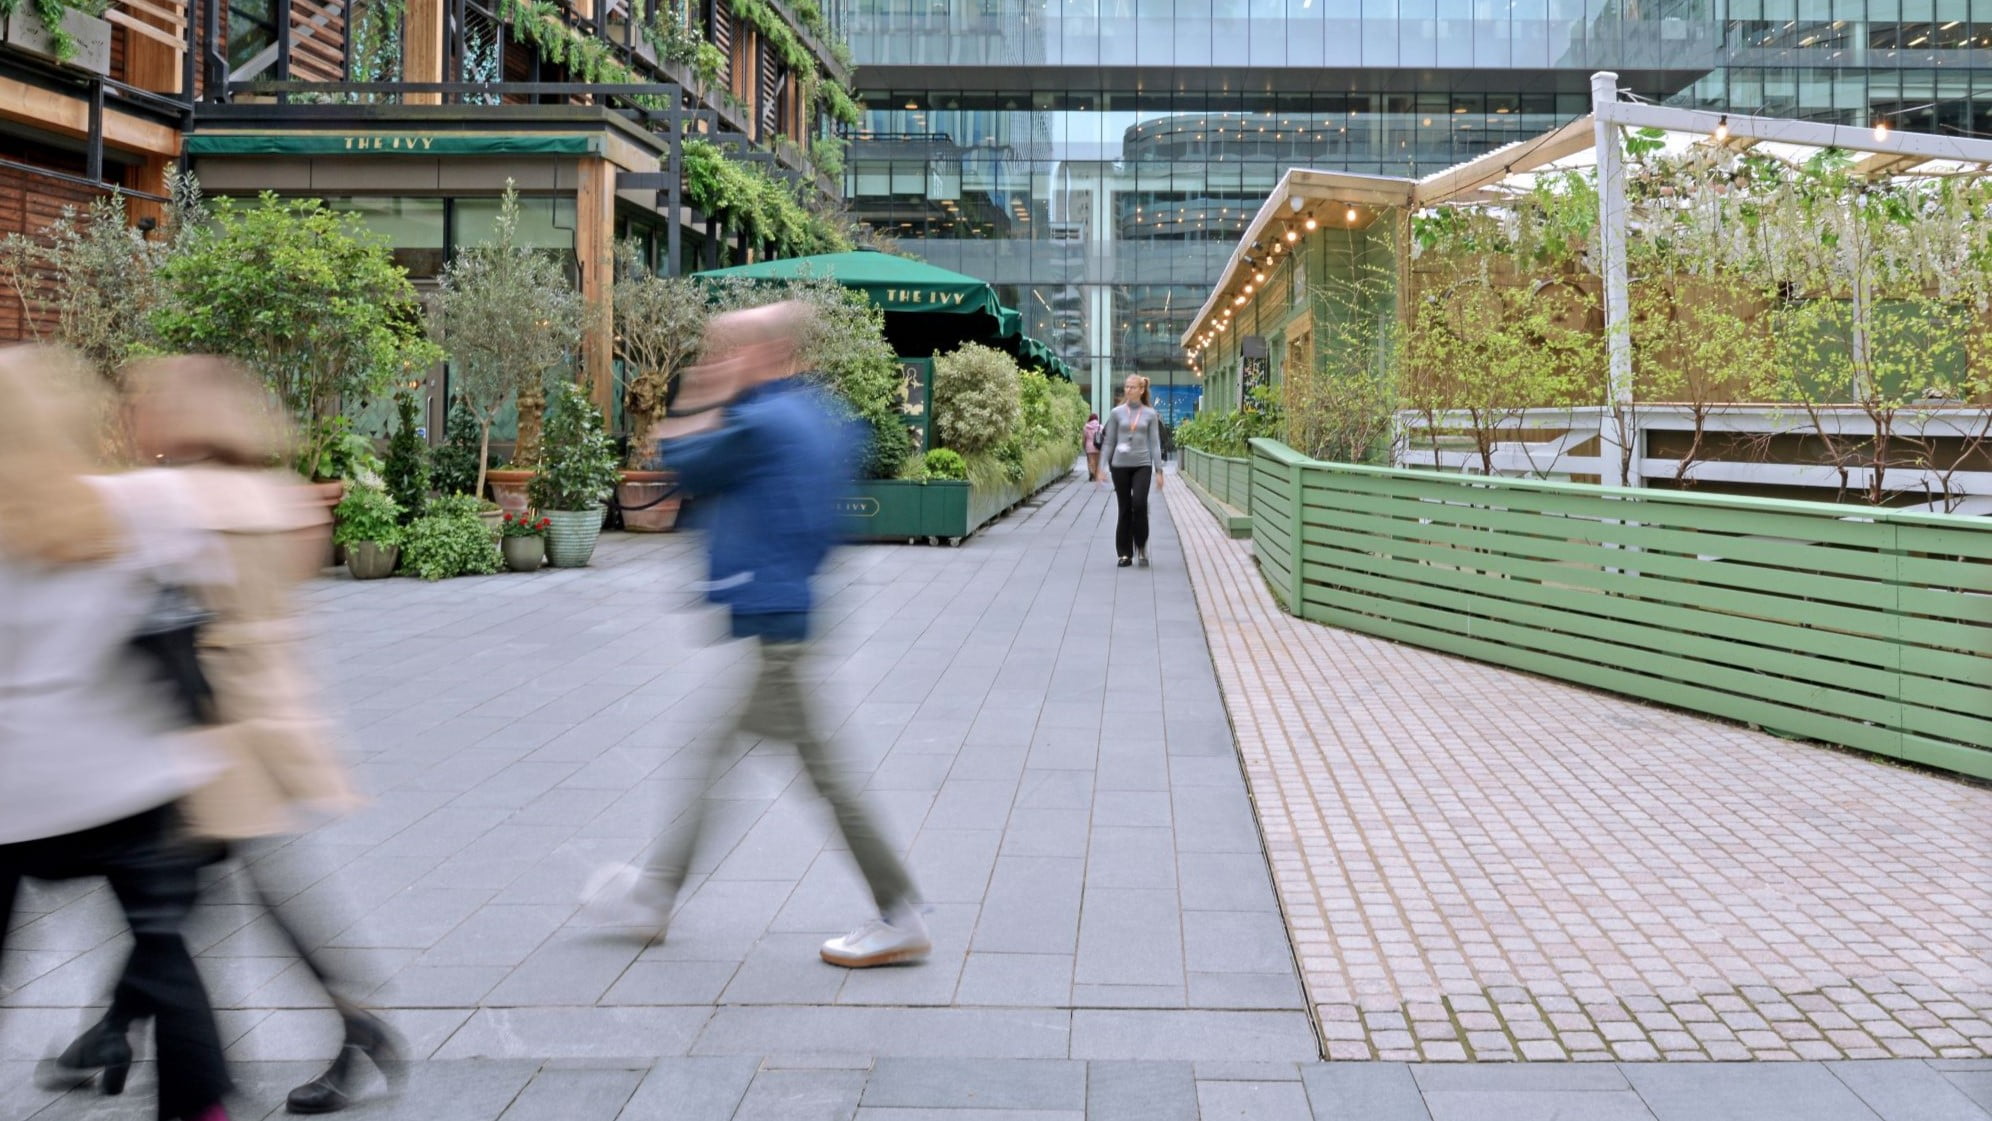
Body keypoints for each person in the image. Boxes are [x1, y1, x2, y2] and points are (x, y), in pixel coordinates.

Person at [39, 357, 402, 1116]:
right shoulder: (282, 497)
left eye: (148, 404)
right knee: (204, 894)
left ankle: (345, 1026)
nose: (138, 417)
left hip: (212, 725)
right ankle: (114, 1031)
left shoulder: (180, 496)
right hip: (273, 714)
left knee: (176, 898)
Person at [582, 301, 930, 968]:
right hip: (791, 612)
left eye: (726, 352)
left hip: (773, 620)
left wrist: (704, 391)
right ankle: (656, 894)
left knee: (816, 775)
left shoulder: (761, 420)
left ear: (761, 354)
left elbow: (681, 461)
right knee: (724, 756)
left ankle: (900, 908)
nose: (717, 364)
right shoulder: (819, 416)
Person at [0, 345, 233, 1121]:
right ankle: (202, 1111)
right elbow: (206, 581)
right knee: (166, 956)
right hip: (130, 782)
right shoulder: (140, 505)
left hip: (16, 796)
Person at [1096, 374, 1164, 568]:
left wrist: (1159, 470)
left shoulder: (1150, 414)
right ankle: (1124, 553)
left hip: (1142, 464)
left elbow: (1154, 443)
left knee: (1140, 503)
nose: (1128, 390)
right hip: (1120, 465)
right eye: (1126, 387)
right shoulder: (1117, 413)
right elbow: (1109, 441)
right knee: (1124, 507)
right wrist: (1101, 468)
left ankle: (1141, 544)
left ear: (1141, 390)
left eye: (1132, 387)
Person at [1083, 412, 1103, 481]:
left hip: (1089, 446)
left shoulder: (1086, 427)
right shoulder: (1100, 426)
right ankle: (1096, 475)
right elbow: (1103, 437)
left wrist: (1083, 446)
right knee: (1097, 462)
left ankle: (1091, 472)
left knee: (1090, 461)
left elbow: (1084, 438)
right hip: (1098, 446)